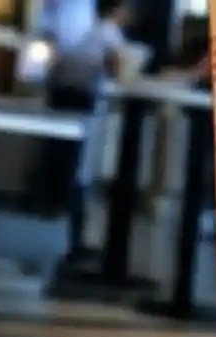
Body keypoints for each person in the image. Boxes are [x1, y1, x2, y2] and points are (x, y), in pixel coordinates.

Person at [39, 0, 132, 260]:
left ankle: (66, 232)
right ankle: (74, 241)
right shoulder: (109, 33)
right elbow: (120, 73)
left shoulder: (88, 30)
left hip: (65, 94)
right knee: (81, 169)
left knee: (67, 165)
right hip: (86, 102)